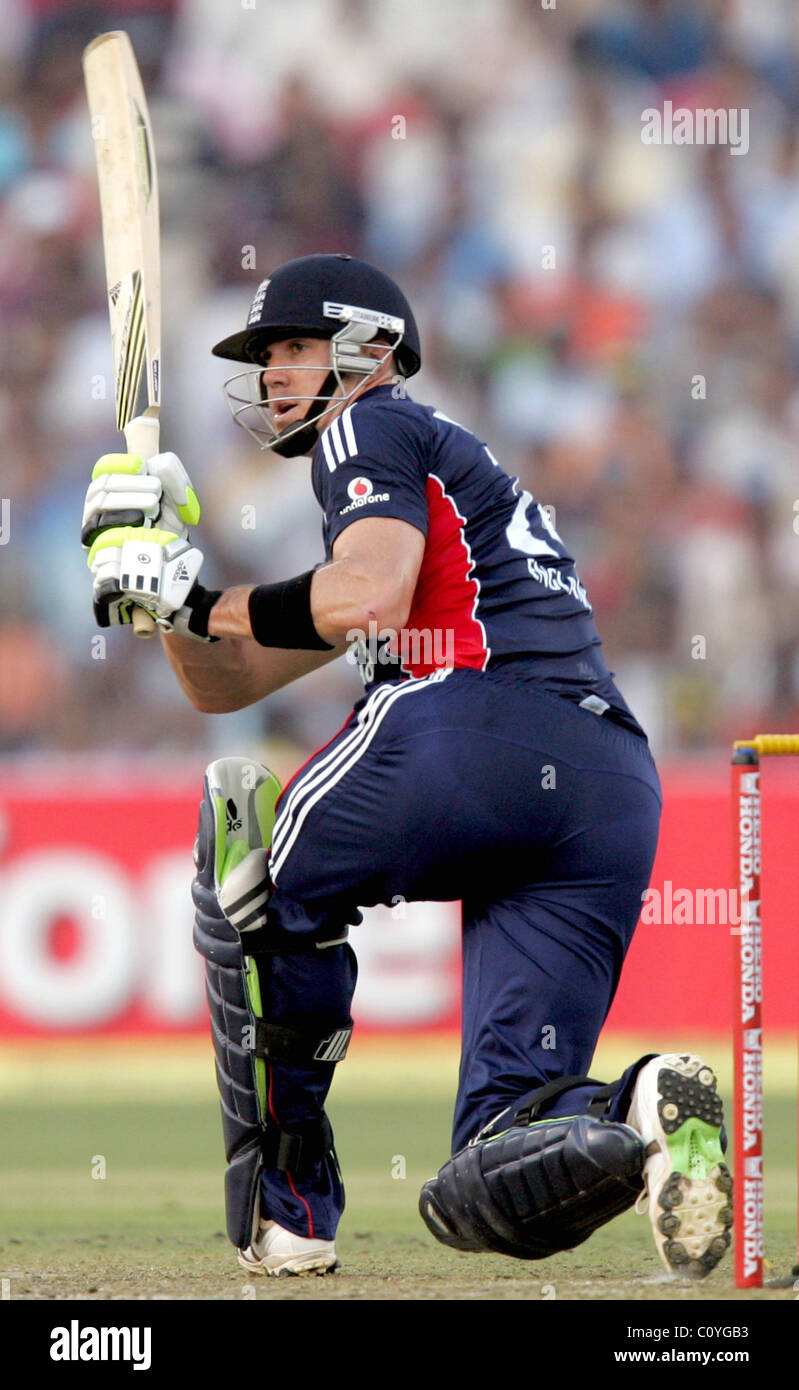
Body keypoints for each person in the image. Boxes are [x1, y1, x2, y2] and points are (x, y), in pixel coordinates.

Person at [82, 253, 732, 1280]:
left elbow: (364, 597)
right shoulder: (439, 473)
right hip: (605, 786)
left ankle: (288, 1209)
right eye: (266, 355)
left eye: (292, 347)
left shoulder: (370, 421)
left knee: (247, 882)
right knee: (497, 1162)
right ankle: (648, 1105)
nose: (274, 373)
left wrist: (198, 598)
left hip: (473, 727)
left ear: (368, 350)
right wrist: (170, 587)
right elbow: (227, 682)